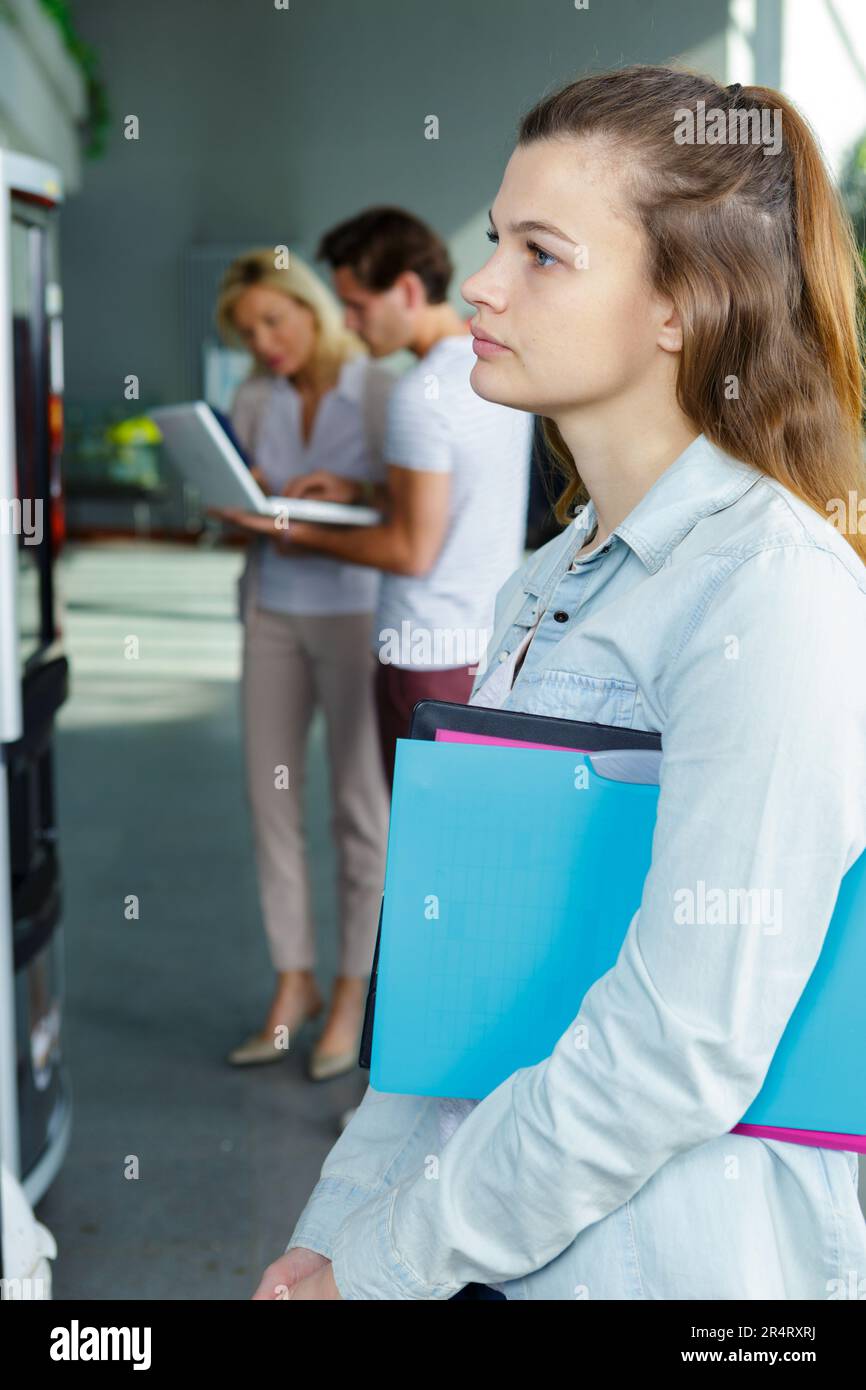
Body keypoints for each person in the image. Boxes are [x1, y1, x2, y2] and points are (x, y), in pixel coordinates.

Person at [252, 65, 866, 1299]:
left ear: (682, 306)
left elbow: (678, 1046)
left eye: (541, 253)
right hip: (501, 1235)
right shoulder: (546, 581)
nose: (480, 282)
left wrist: (388, 1259)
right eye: (495, 240)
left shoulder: (770, 594)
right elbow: (453, 983)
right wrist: (332, 1232)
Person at [218, 208, 534, 788]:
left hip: (421, 658)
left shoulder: (418, 396)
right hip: (483, 650)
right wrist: (360, 490)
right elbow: (454, 494)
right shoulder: (492, 367)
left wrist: (291, 530)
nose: (351, 324)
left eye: (359, 306)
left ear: (408, 290)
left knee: (417, 842)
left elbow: (410, 549)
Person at [213, 248, 393, 1081]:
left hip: (358, 613)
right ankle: (295, 985)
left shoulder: (379, 387)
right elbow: (236, 513)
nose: (265, 340)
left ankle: (353, 993)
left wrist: (345, 498)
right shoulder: (253, 397)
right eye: (250, 331)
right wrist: (240, 499)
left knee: (362, 813)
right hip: (274, 613)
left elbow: (417, 508)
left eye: (274, 319)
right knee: (269, 804)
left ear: (310, 306)